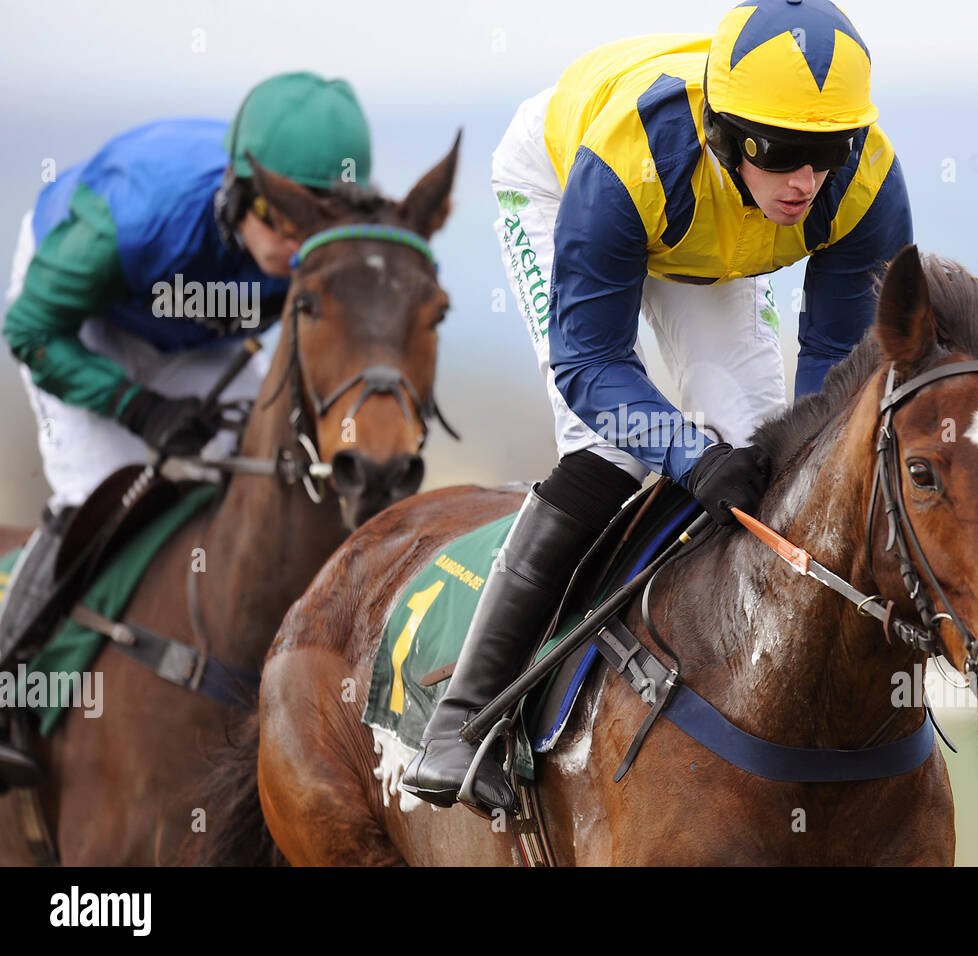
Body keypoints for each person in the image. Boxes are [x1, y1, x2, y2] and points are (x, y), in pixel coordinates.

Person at [402, 0, 913, 813]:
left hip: (705, 230)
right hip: (568, 183)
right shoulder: (625, 162)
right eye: (781, 153)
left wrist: (756, 456)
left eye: (827, 153)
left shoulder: (865, 186)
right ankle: (464, 716)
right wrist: (690, 457)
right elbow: (591, 364)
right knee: (616, 450)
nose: (806, 182)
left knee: (766, 448)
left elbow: (837, 379)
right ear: (725, 129)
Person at [0, 71, 373, 788]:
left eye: (314, 226)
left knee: (258, 487)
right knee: (105, 492)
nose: (293, 247)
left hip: (197, 335)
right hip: (78, 325)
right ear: (238, 196)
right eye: (281, 221)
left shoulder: (310, 246)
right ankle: (14, 687)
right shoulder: (138, 215)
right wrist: (139, 409)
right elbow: (30, 330)